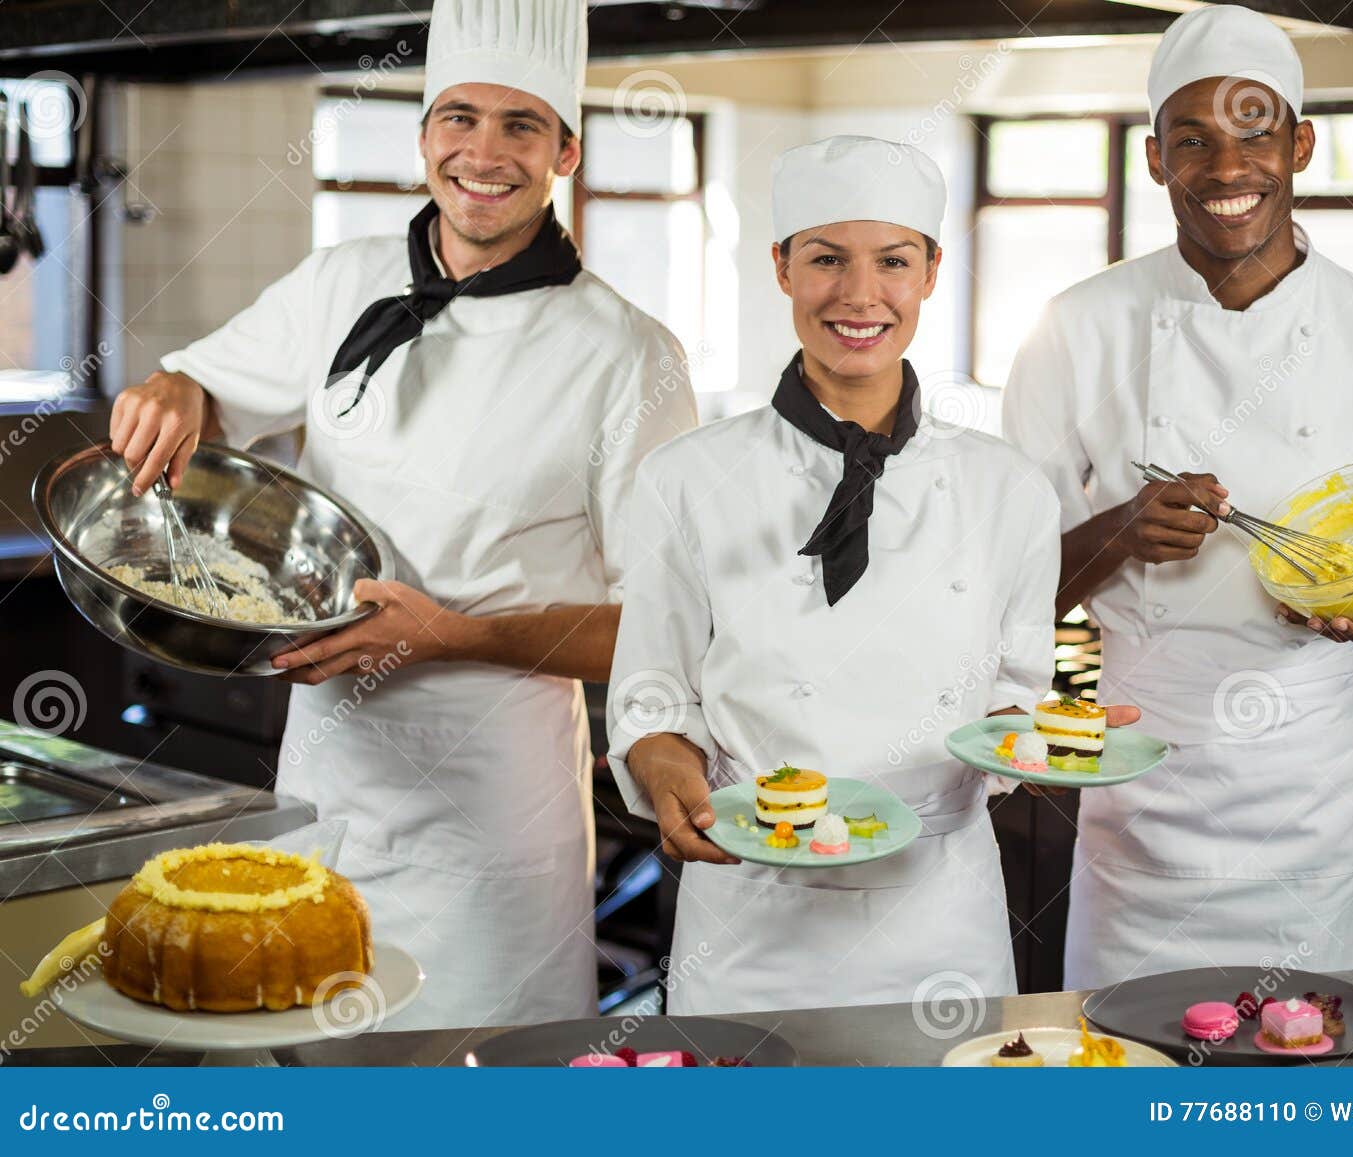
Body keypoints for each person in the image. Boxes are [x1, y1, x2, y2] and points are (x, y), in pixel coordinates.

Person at [108, 0, 697, 1028]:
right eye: (457, 117)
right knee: (312, 1082)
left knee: (477, 1102)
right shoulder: (342, 281)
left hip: (493, 836)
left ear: (565, 148)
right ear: (424, 135)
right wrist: (172, 386)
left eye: (520, 126)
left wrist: (455, 634)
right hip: (324, 792)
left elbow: (662, 627)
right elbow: (206, 389)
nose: (483, 152)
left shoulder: (628, 354)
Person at [1003, 4, 1353, 989]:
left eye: (1255, 131)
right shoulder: (1075, 328)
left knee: (1306, 1072)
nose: (1227, 170)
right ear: (1154, 160)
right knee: (1121, 1083)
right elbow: (1001, 590)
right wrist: (1117, 533)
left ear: (1300, 142)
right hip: (1139, 787)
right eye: (1193, 142)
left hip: (1311, 802)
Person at [606, 134, 1137, 1014]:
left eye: (892, 261)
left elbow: (1011, 697)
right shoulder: (686, 477)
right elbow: (654, 690)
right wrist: (671, 785)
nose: (859, 295)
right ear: (781, 267)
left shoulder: (1008, 488)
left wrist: (1058, 735)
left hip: (939, 914)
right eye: (825, 259)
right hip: (751, 907)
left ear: (930, 271)